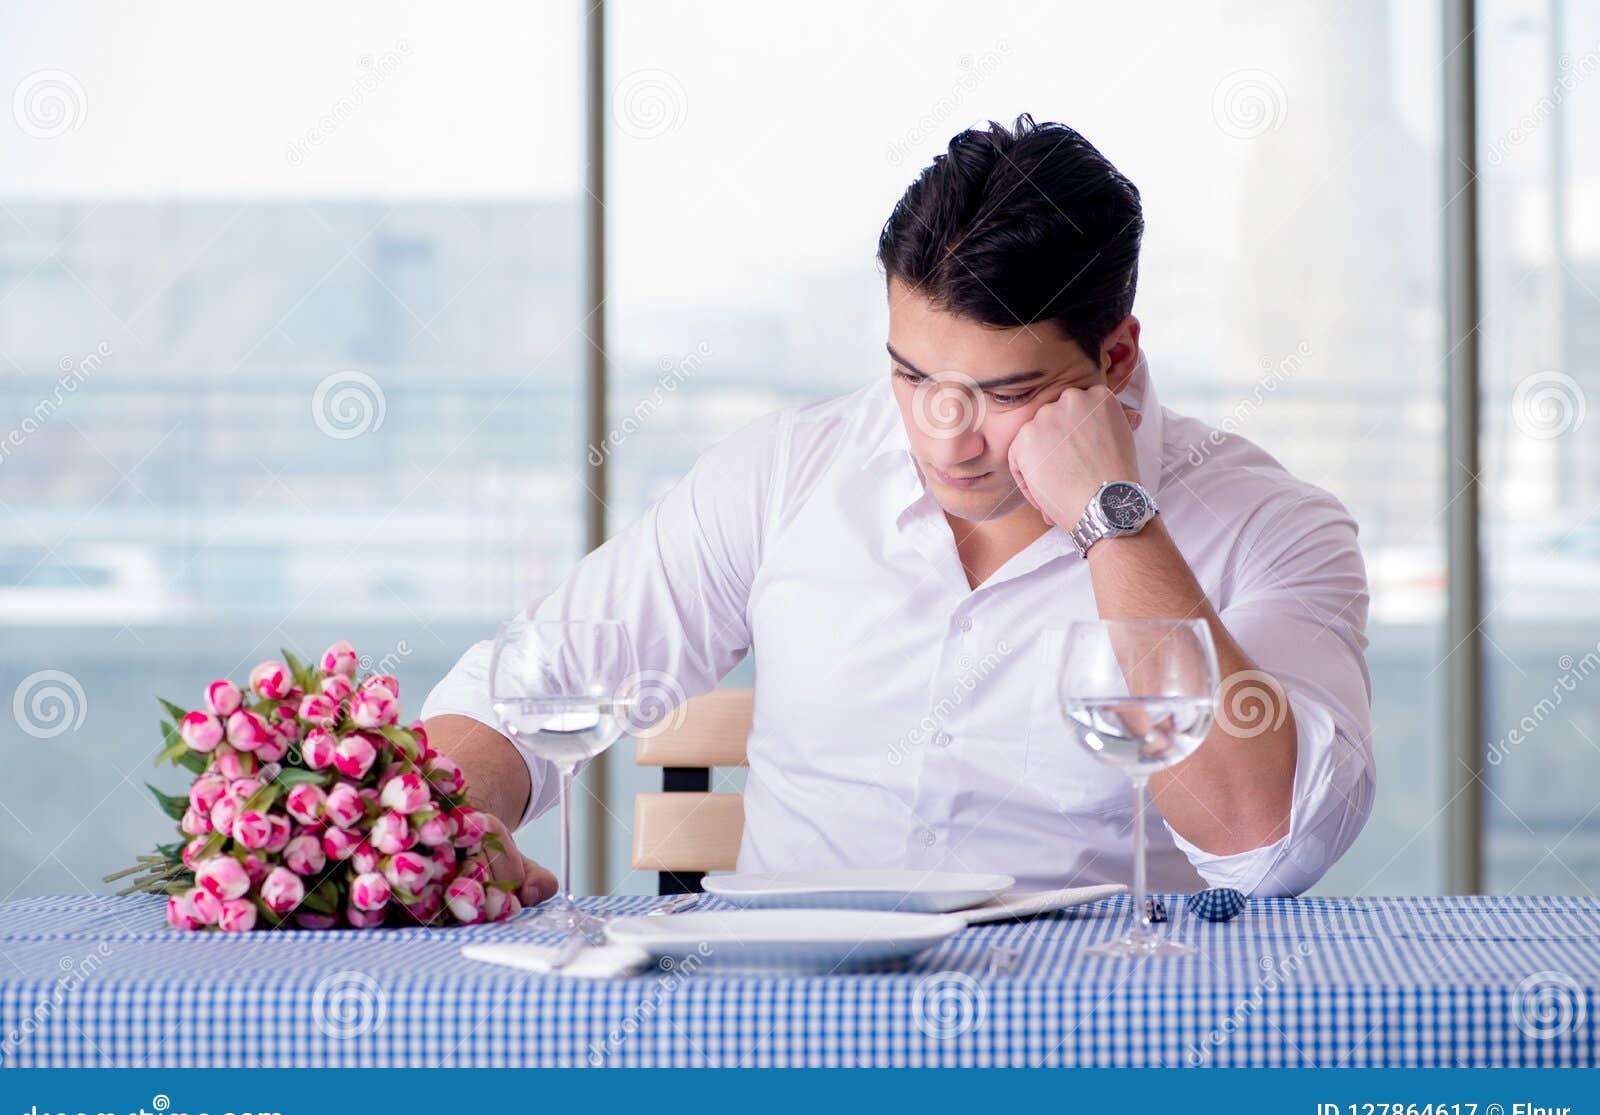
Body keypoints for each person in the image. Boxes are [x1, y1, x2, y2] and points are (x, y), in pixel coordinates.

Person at [421, 113, 1376, 906]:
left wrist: (1111, 518)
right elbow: (519, 691)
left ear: (1115, 358)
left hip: (1092, 1022)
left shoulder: (1272, 526)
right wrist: (446, 831)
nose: (945, 435)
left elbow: (1269, 844)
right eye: (912, 375)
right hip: (789, 1025)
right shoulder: (785, 472)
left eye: (1005, 394)